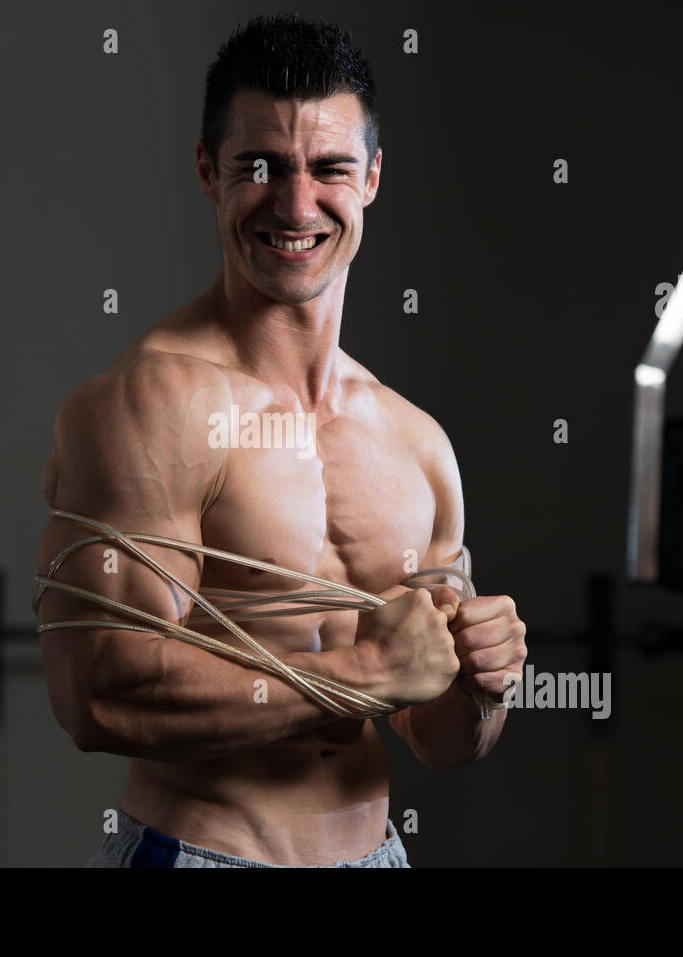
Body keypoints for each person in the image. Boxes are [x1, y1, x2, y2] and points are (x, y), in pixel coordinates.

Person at [35, 13, 527, 868]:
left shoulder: (416, 444)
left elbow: (439, 739)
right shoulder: (152, 406)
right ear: (206, 171)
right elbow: (99, 695)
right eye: (260, 168)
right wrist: (370, 670)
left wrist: (480, 686)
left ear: (372, 177)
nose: (296, 205)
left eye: (330, 168)